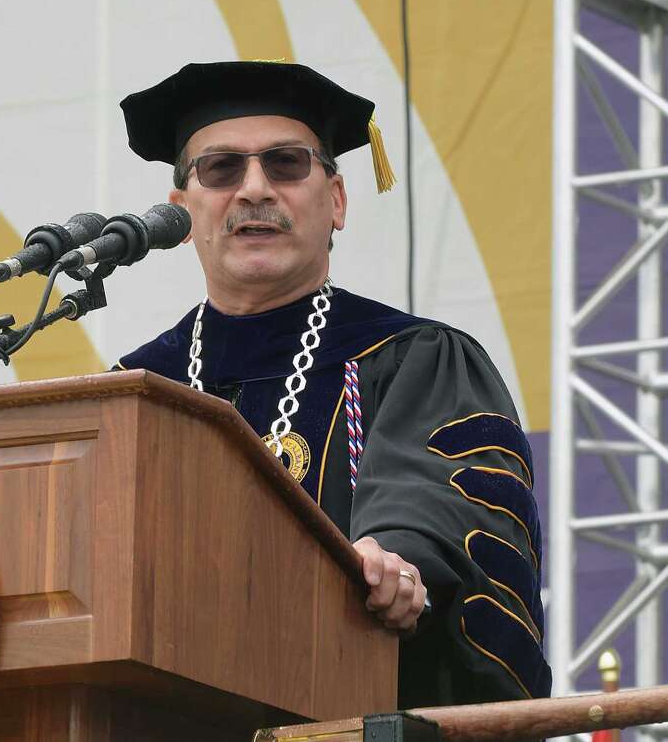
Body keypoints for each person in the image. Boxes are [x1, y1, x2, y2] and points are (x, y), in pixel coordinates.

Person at [114, 61, 549, 708]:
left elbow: (436, 507)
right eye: (221, 168)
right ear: (182, 210)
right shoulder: (132, 394)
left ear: (337, 200)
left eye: (286, 163)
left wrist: (394, 563)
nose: (254, 188)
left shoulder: (413, 359)